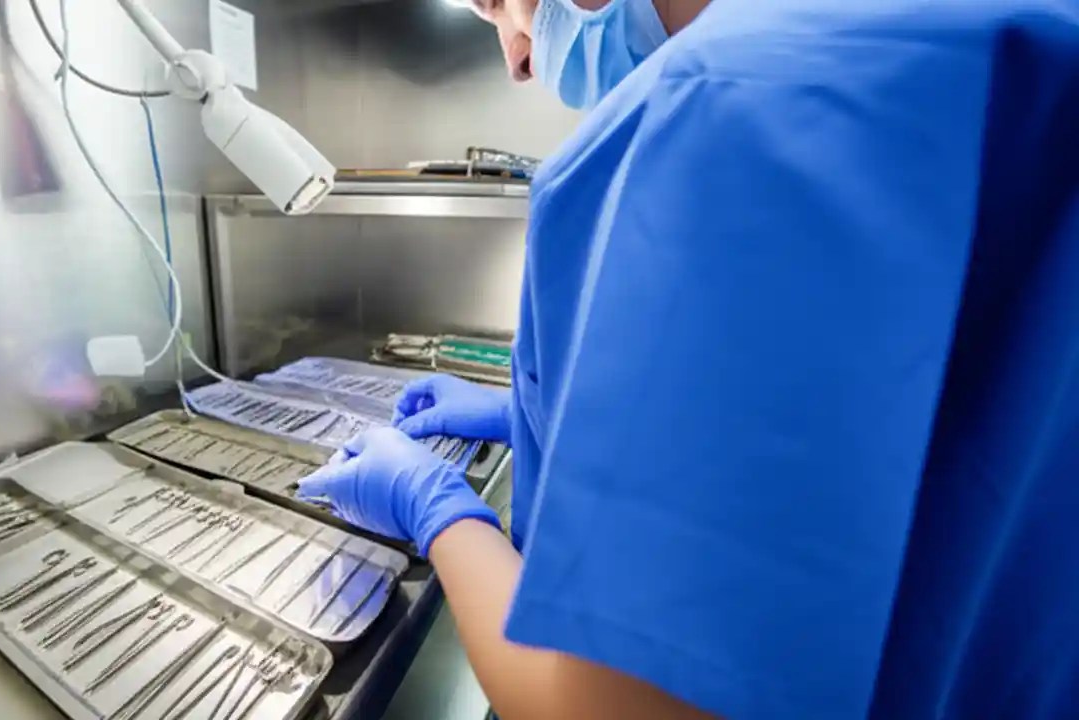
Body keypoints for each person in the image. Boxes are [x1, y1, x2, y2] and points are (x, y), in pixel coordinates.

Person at [299, 0, 1079, 717]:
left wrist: (438, 511)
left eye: (500, 4)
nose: (516, 60)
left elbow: (611, 709)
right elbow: (930, 419)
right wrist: (534, 415)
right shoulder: (1001, 32)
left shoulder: (731, 97)